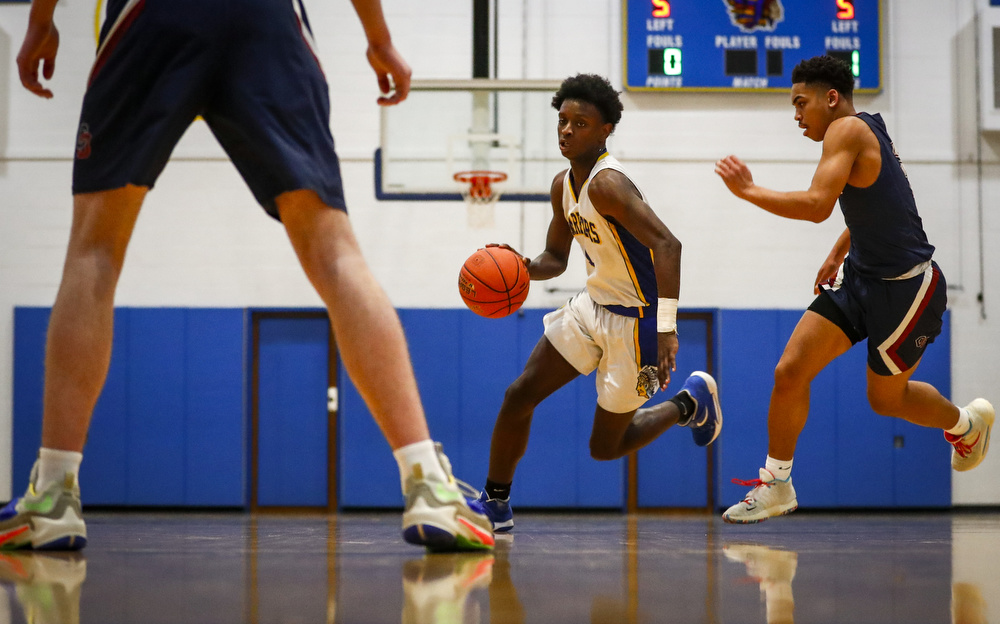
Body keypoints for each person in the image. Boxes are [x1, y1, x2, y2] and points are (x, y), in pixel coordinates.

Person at [6, 0, 493, 552]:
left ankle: (52, 496)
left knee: (93, 250)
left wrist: (41, 20)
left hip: (152, 16)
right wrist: (378, 37)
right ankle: (427, 481)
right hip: (266, 18)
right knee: (336, 253)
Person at [714, 55, 995, 524]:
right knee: (789, 371)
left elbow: (817, 205)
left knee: (885, 400)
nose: (796, 115)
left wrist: (748, 191)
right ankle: (776, 483)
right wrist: (838, 252)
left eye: (801, 103)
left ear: (831, 98)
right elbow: (880, 205)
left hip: (909, 290)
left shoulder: (845, 130)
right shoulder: (866, 131)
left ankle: (967, 425)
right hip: (862, 277)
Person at [476, 74, 723, 532]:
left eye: (581, 123)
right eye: (563, 121)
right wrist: (520, 267)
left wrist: (667, 329)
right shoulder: (563, 185)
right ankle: (495, 503)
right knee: (519, 395)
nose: (567, 130)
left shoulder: (608, 184)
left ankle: (689, 404)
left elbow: (669, 245)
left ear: (605, 129)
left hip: (638, 325)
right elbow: (556, 258)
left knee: (605, 448)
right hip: (591, 307)